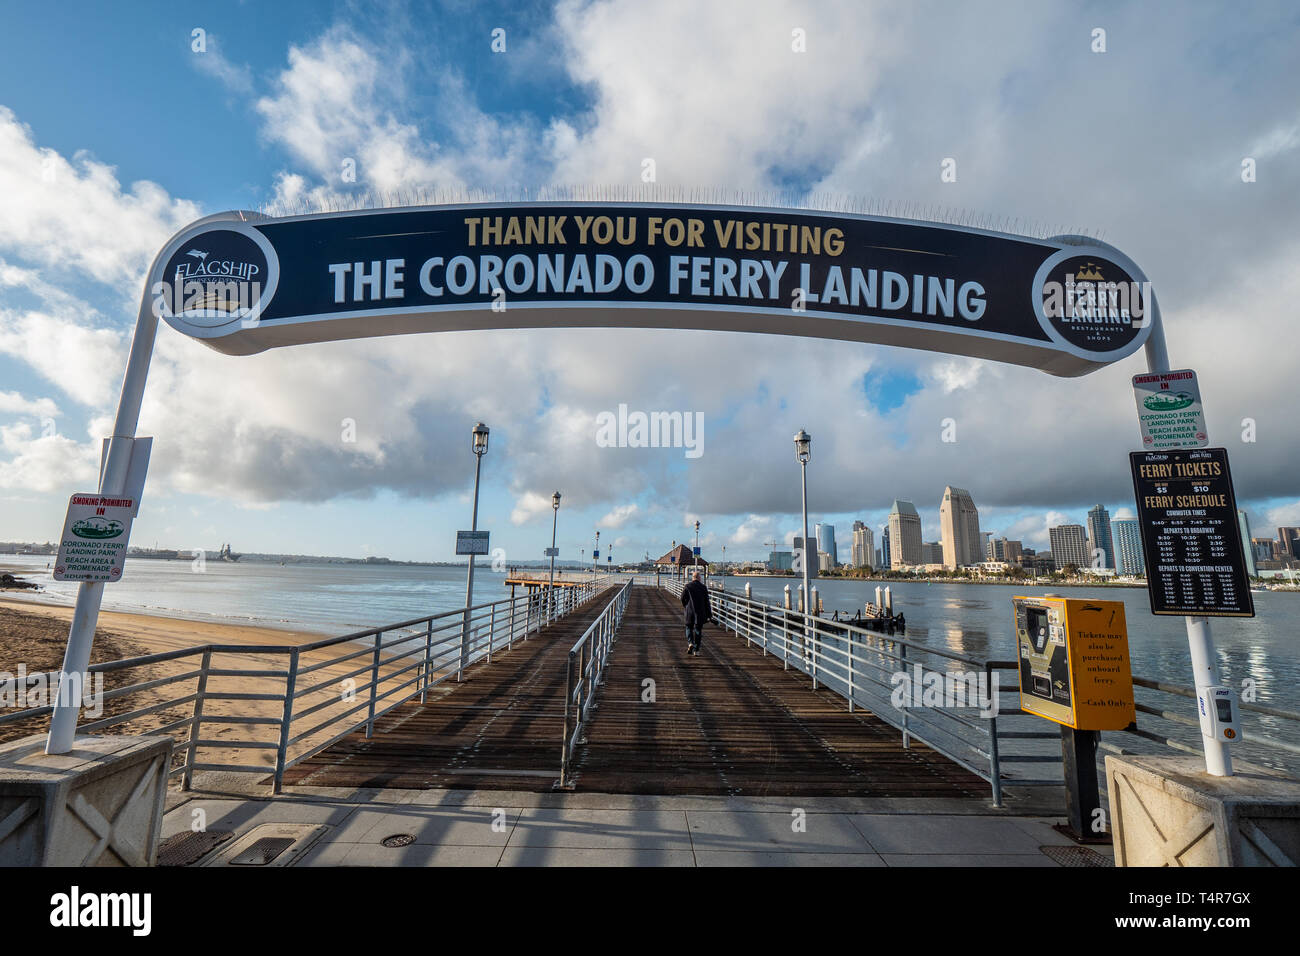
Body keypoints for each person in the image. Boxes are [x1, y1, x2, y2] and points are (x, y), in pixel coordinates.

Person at [680, 570, 712, 656]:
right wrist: (709, 614)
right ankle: (696, 650)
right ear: (699, 578)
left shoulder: (687, 586)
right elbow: (707, 602)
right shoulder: (703, 587)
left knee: (688, 628)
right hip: (700, 613)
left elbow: (682, 598)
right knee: (698, 630)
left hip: (689, 612)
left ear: (693, 578)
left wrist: (686, 606)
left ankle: (690, 643)